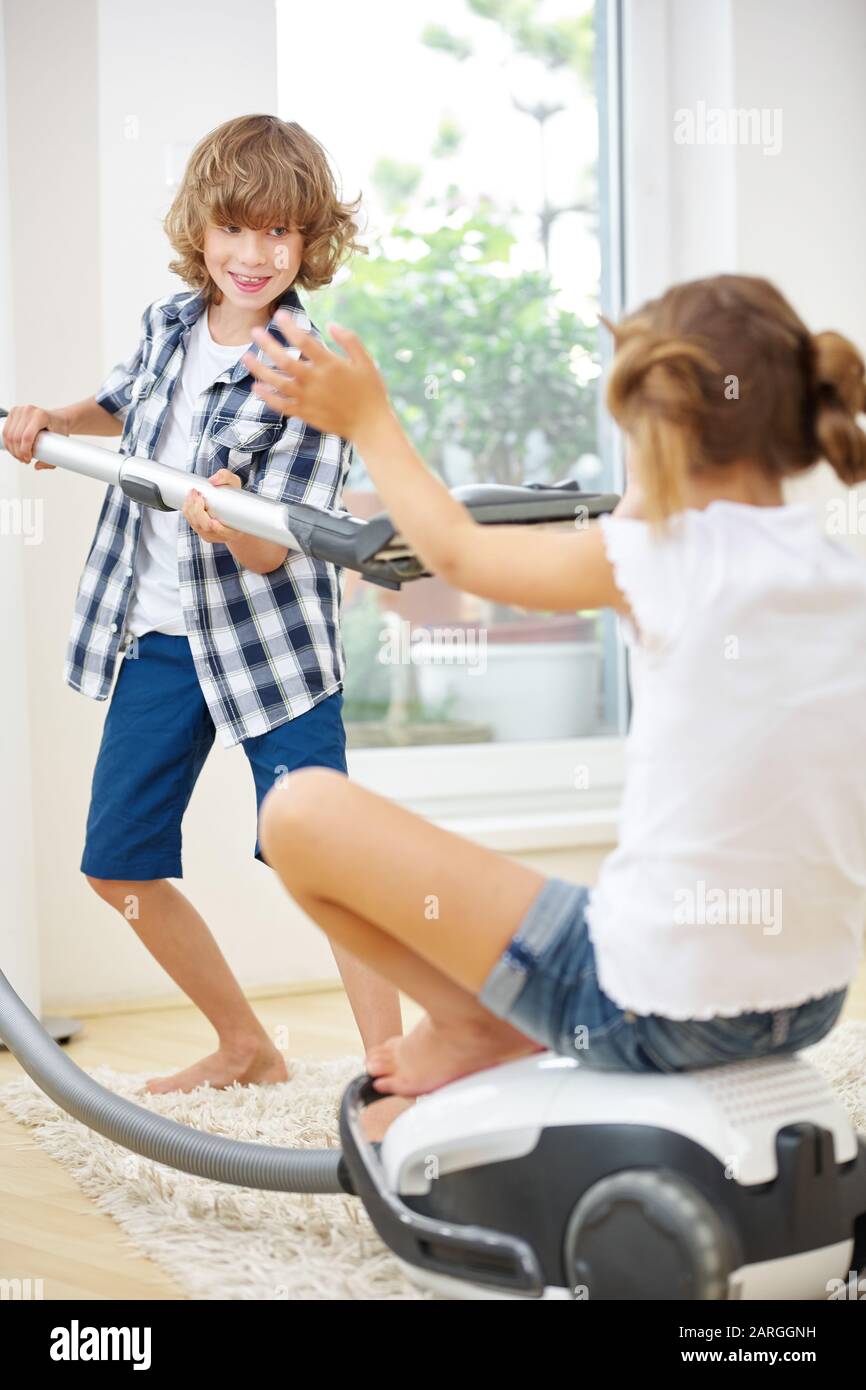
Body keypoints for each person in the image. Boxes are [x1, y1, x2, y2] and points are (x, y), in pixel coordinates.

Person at [245, 273, 866, 1100]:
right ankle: (497, 1019)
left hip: (651, 1007)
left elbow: (456, 554)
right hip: (812, 999)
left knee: (298, 812)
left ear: (665, 431)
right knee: (606, 898)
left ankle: (472, 1022)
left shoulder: (667, 559)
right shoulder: (844, 575)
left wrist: (369, 421)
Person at [5, 115, 403, 1113]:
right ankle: (244, 1045)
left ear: (310, 244)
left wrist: (232, 522)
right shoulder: (166, 326)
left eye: (280, 235)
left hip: (269, 650)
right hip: (157, 638)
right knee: (117, 861)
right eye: (238, 229)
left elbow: (283, 543)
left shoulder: (309, 367)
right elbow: (120, 405)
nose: (255, 255)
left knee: (327, 863)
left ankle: (396, 1078)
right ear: (203, 229)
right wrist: (54, 419)